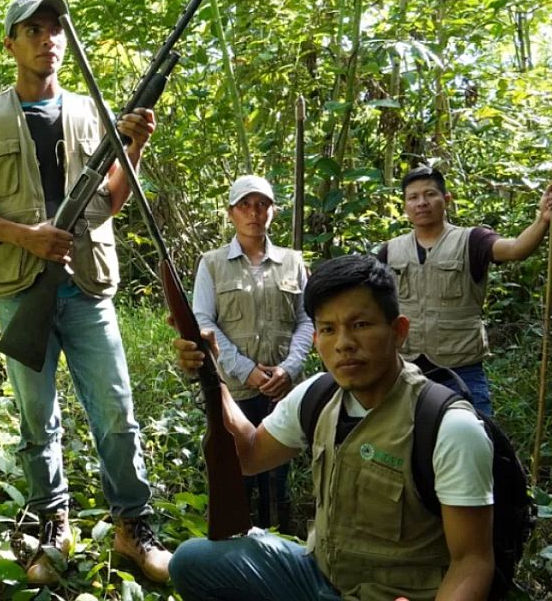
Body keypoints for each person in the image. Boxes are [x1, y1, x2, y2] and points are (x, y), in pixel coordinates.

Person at [0, 0, 170, 586]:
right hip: (21, 287)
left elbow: (110, 203)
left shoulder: (91, 114)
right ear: (10, 43)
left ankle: (132, 527)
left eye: (56, 30)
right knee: (36, 421)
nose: (48, 39)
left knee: (117, 414)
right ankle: (52, 522)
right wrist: (28, 236)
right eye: (33, 29)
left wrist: (135, 144)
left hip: (87, 286)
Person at [169, 254, 495, 601]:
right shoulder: (318, 395)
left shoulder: (448, 427)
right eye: (328, 329)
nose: (343, 344)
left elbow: (472, 562)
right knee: (191, 562)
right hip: (319, 576)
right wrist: (212, 376)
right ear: (316, 339)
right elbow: (248, 456)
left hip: (394, 594)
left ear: (398, 331)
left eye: (360, 325)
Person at [377, 166, 552, 415]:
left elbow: (516, 249)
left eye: (430, 194)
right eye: (413, 197)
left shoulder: (472, 241)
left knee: (478, 440)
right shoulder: (389, 251)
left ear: (446, 200)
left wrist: (542, 219)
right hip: (404, 370)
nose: (421, 203)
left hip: (461, 370)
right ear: (405, 206)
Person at [192, 174, 313, 533]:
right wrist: (245, 370)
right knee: (238, 471)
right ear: (231, 213)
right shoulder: (212, 263)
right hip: (234, 391)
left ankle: (282, 541)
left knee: (279, 475)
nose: (254, 213)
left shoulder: (292, 261)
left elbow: (307, 319)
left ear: (272, 211)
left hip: (283, 392)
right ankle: (238, 546)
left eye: (262, 204)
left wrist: (289, 369)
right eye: (245, 205)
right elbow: (203, 320)